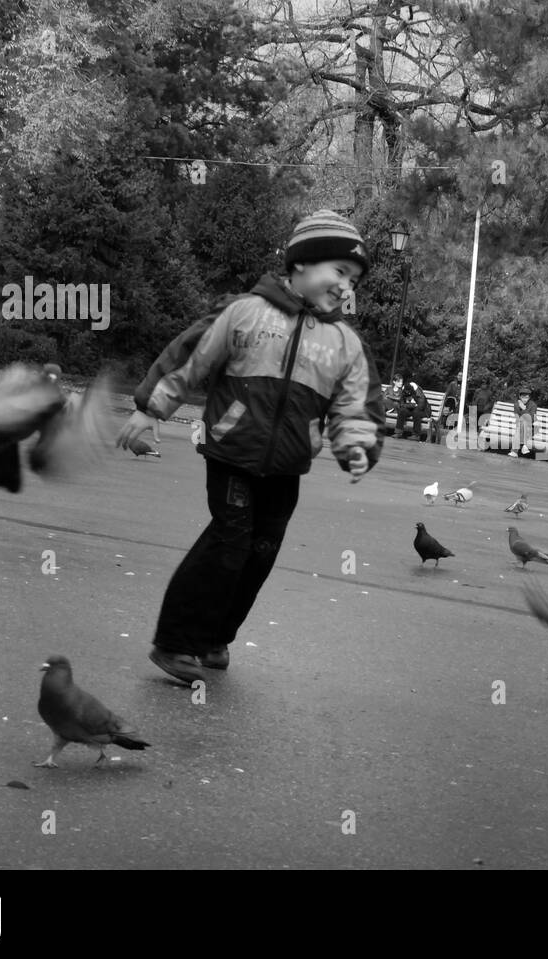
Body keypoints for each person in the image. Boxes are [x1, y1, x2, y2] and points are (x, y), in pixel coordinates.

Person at [116, 209, 384, 685]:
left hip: (287, 466)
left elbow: (357, 402)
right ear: (301, 264)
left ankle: (216, 638)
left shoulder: (344, 342)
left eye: (355, 279)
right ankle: (175, 641)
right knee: (229, 541)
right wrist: (149, 408)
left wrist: (357, 445)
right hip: (232, 454)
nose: (347, 286)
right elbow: (189, 359)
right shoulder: (244, 312)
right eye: (340, 272)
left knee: (260, 554)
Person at [509, 386, 537, 458]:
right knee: (521, 424)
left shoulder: (533, 405)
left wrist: (523, 408)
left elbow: (531, 419)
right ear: (520, 397)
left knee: (522, 425)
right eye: (523, 397)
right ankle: (524, 445)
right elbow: (517, 418)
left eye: (527, 397)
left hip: (531, 428)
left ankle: (514, 451)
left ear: (529, 397)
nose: (525, 399)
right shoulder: (516, 404)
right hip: (520, 426)